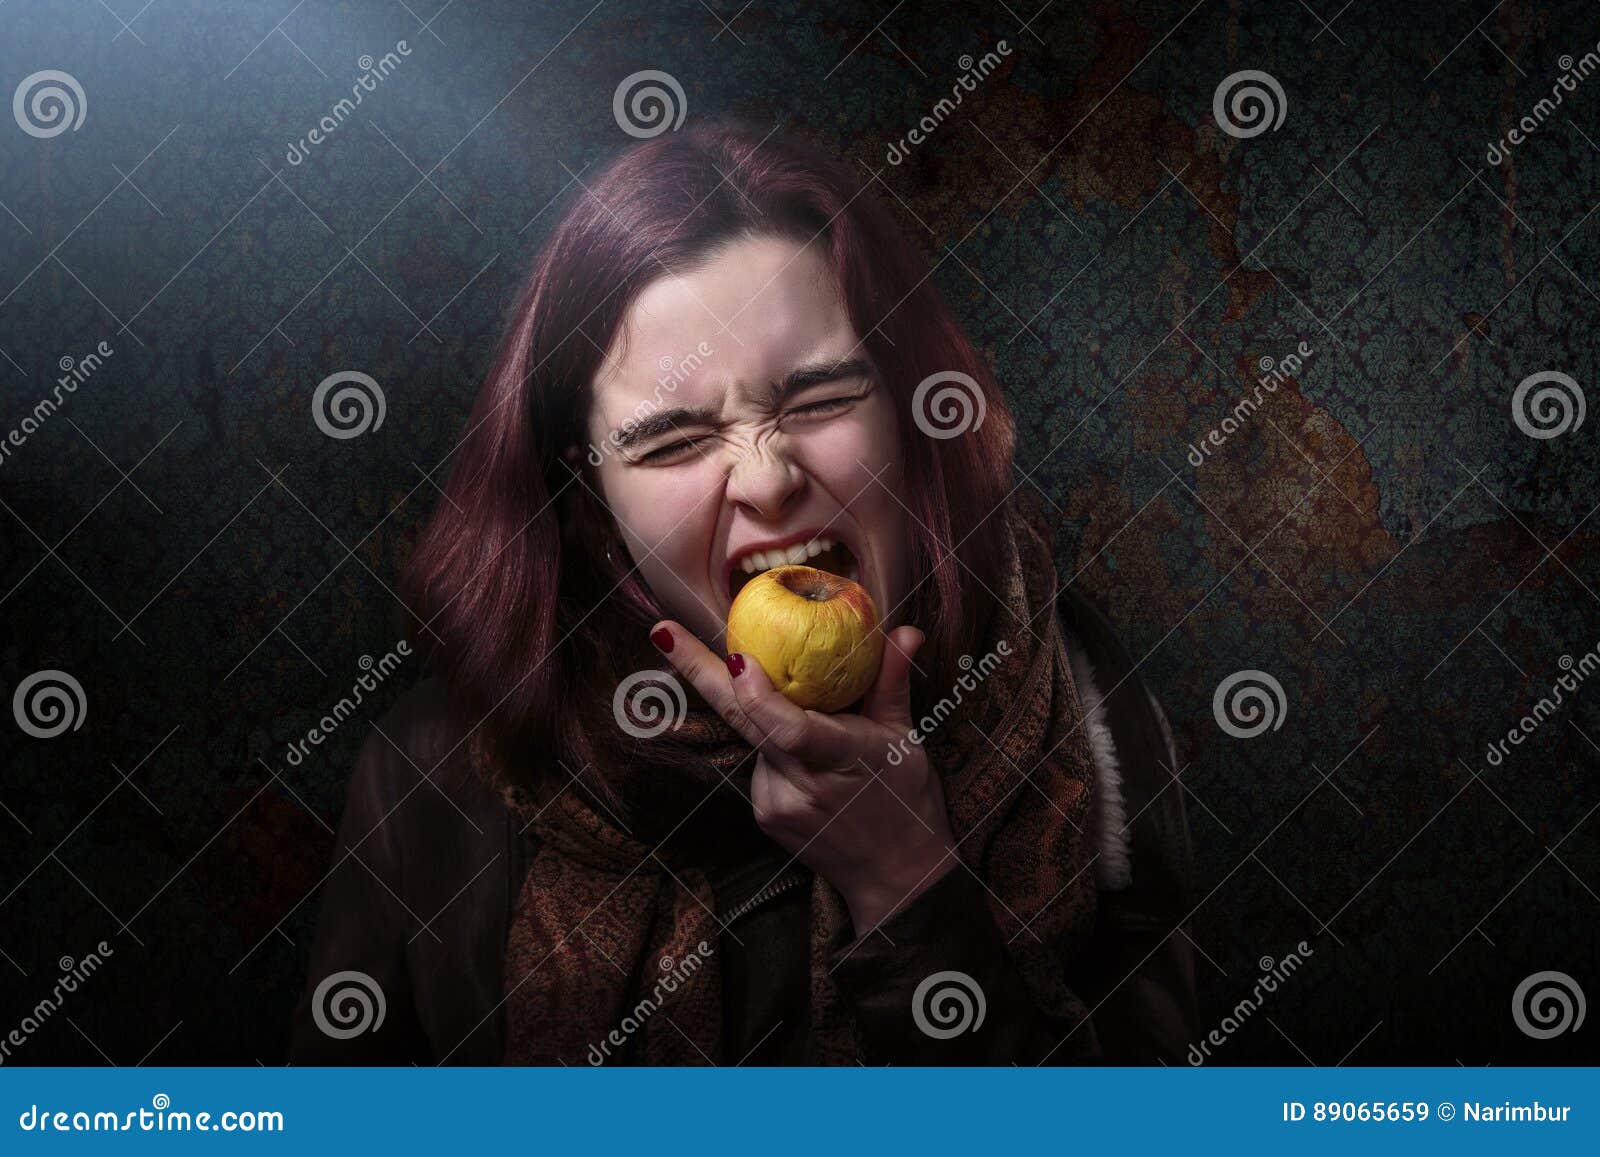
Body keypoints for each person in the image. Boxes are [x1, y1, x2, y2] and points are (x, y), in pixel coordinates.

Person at [288, 118, 1198, 1065]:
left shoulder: (1082, 706)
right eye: (674, 440)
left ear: (909, 411)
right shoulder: (438, 775)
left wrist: (909, 886)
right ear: (589, 499)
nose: (767, 480)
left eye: (818, 399)